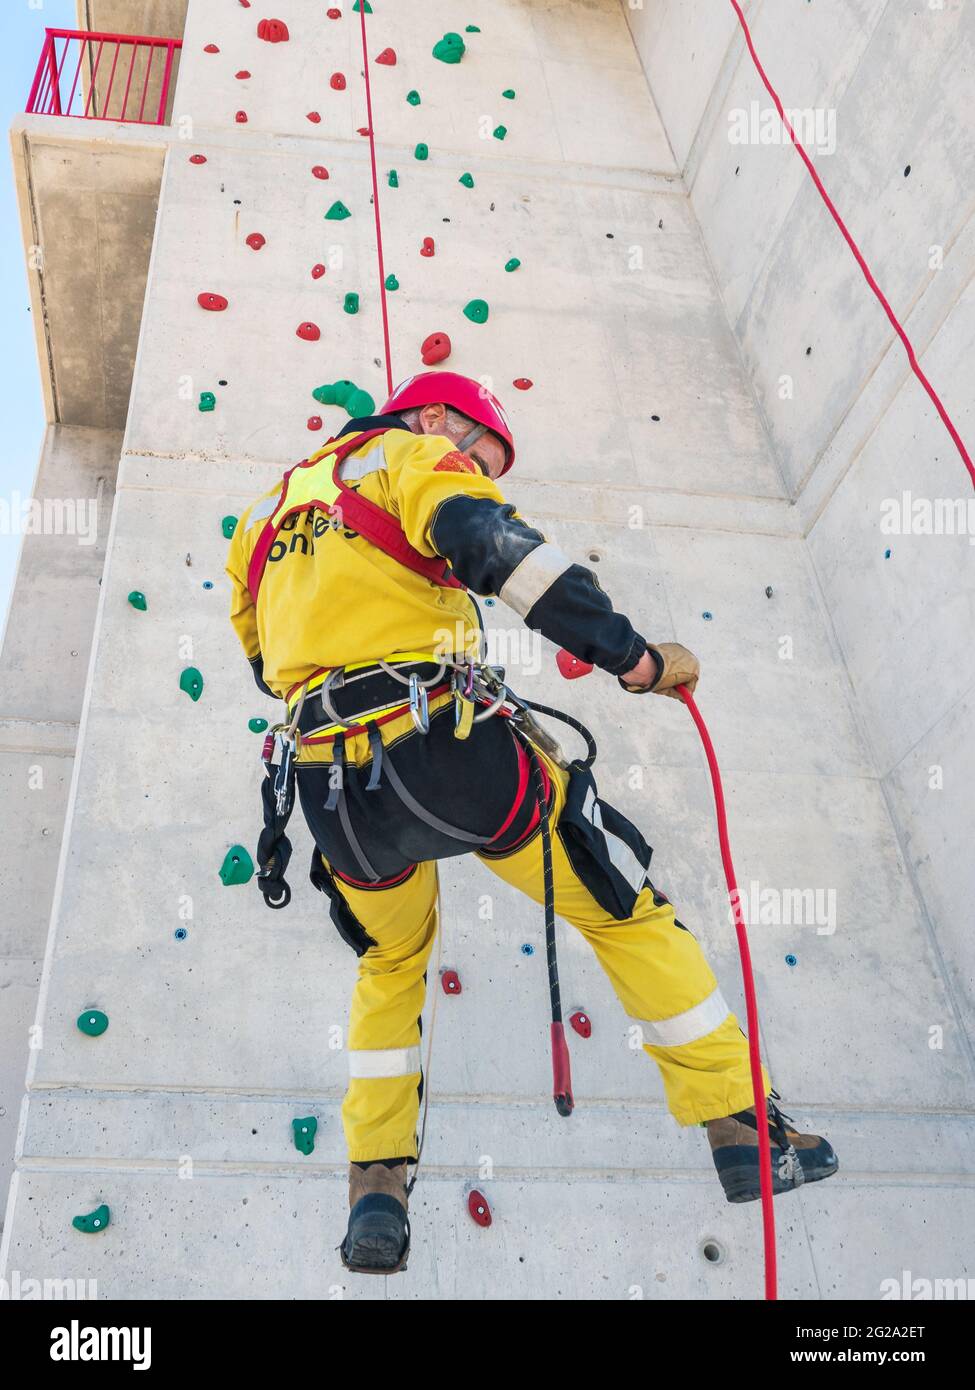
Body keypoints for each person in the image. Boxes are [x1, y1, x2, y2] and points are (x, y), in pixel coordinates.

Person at [226, 371, 837, 1275]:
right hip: (448, 756)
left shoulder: (261, 520)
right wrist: (630, 658)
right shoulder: (412, 455)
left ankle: (375, 1190)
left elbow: (258, 660)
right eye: (481, 454)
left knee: (390, 963)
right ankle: (741, 1126)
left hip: (332, 796)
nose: (483, 475)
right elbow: (497, 548)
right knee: (620, 905)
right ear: (436, 418)